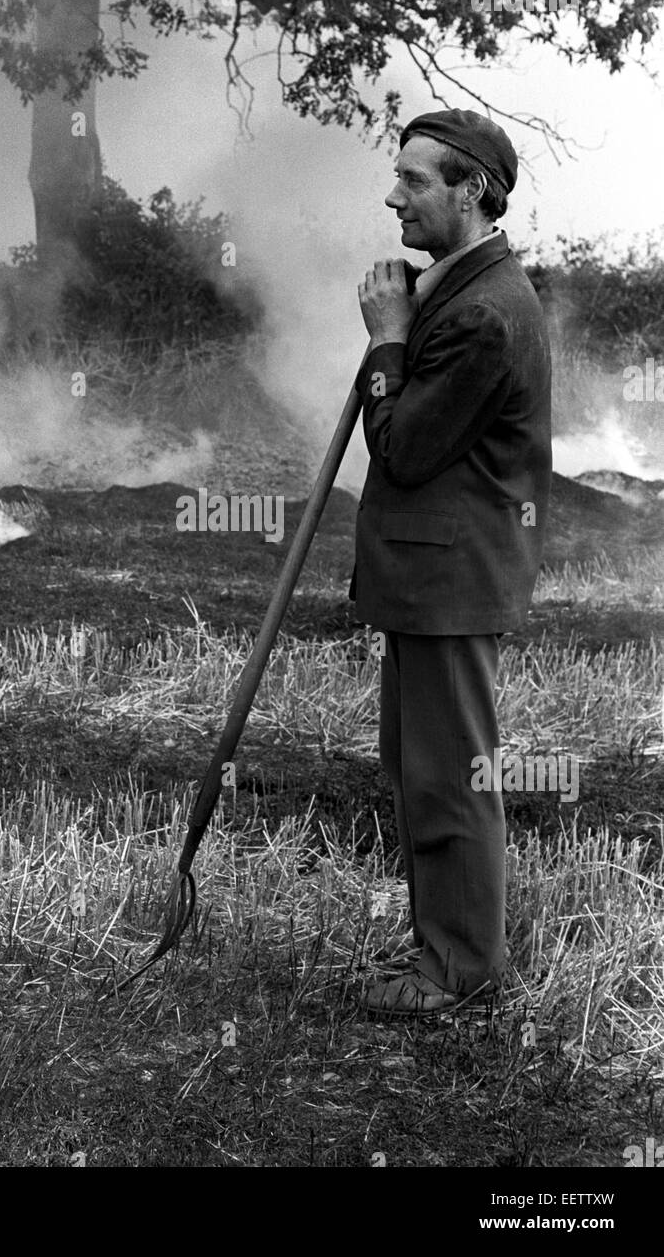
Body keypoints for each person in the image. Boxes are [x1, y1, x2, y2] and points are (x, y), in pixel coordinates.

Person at [351, 108, 552, 1016]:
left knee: (450, 780)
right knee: (419, 772)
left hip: (451, 583)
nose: (394, 196)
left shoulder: (480, 314)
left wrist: (388, 336)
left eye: (416, 181)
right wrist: (400, 323)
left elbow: (401, 450)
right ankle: (442, 949)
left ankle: (461, 973)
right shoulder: (460, 289)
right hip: (436, 579)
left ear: (472, 191)